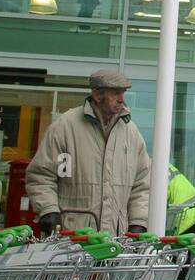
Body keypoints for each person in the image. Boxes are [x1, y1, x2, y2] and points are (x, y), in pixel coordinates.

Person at [26, 69, 150, 237]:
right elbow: (41, 175)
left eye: (123, 93)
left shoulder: (131, 133)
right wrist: (48, 210)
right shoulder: (65, 126)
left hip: (117, 240)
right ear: (97, 95)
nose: (122, 99)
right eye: (115, 94)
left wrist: (139, 221)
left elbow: (142, 184)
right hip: (71, 239)